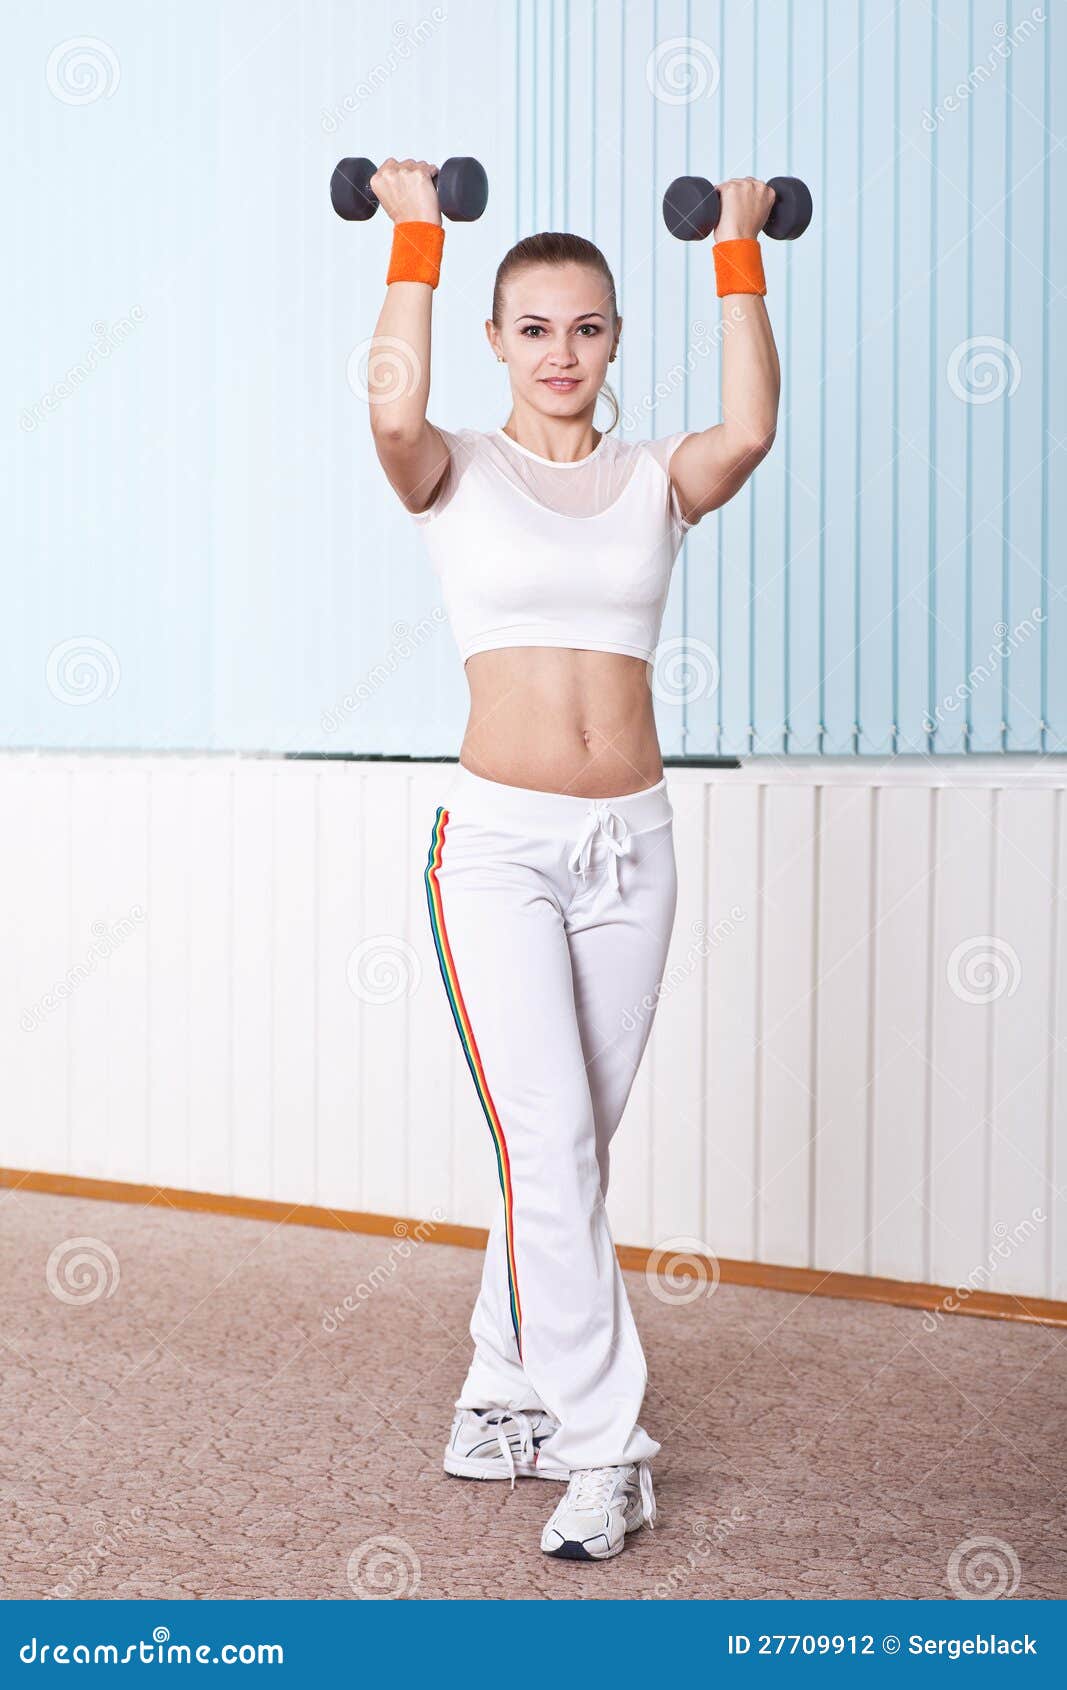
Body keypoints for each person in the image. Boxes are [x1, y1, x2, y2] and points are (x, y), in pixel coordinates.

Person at [369, 159, 780, 1560]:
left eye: (589, 327)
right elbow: (389, 405)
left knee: (570, 1145)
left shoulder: (655, 476)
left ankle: (500, 1385)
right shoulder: (452, 470)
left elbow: (752, 427)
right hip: (495, 849)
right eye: (535, 327)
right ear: (497, 340)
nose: (562, 352)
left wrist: (738, 251)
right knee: (545, 1138)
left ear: (614, 339)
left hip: (635, 846)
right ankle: (606, 1445)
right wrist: (413, 240)